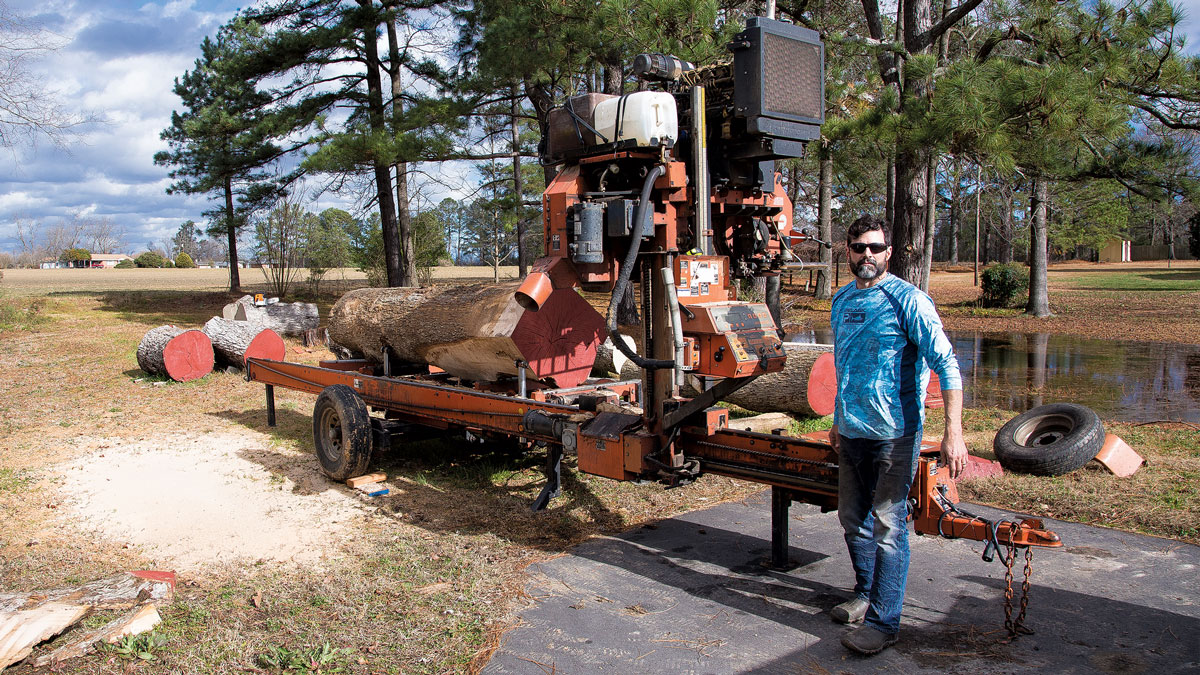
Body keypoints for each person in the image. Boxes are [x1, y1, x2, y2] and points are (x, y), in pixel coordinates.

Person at [828, 215, 967, 655]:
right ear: (846, 251)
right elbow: (845, 366)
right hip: (851, 432)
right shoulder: (841, 300)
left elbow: (946, 365)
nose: (865, 254)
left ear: (888, 252)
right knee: (853, 520)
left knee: (889, 527)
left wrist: (954, 434)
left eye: (874, 247)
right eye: (857, 247)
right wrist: (837, 420)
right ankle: (866, 594)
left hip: (895, 434)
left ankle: (884, 622)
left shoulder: (909, 300)